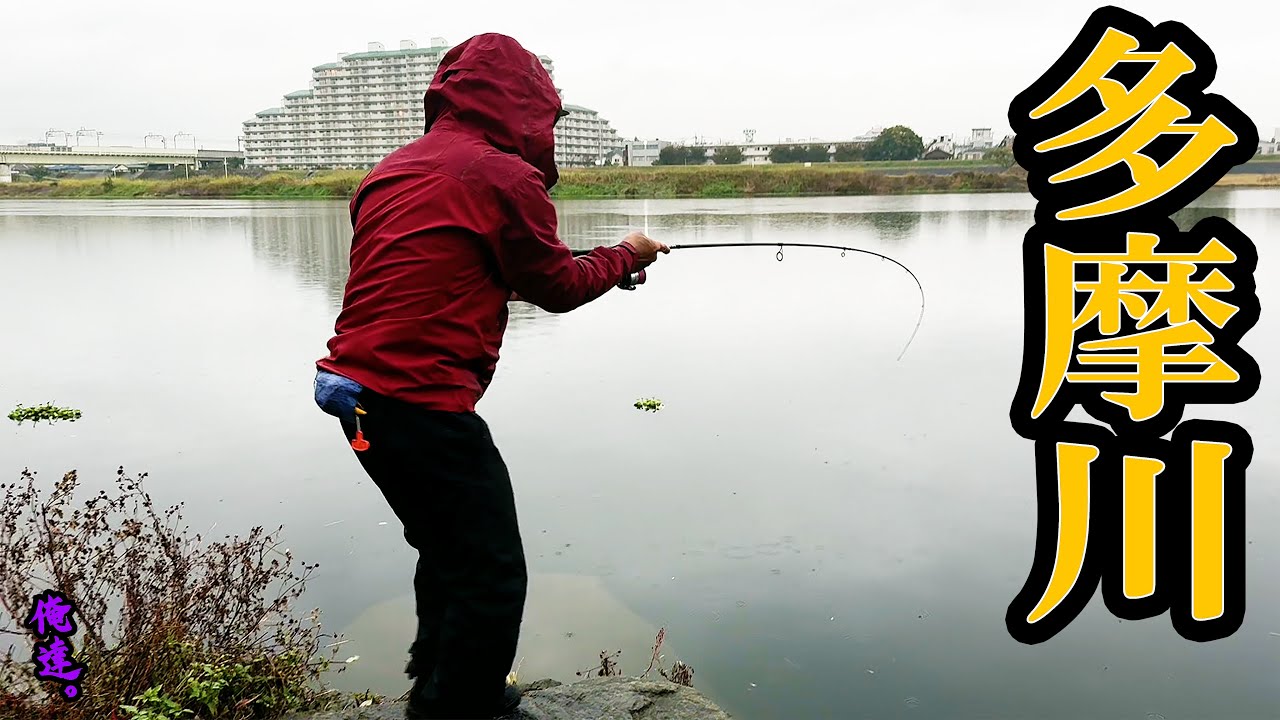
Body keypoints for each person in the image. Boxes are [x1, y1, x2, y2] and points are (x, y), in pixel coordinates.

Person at [312, 32, 669, 720]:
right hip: (418, 406)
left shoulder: (391, 171)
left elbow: (448, 272)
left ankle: (436, 687)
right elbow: (556, 285)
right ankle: (464, 708)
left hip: (355, 406)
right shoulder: (505, 175)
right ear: (527, 107)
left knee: (444, 546)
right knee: (493, 576)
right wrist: (627, 252)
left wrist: (599, 263)